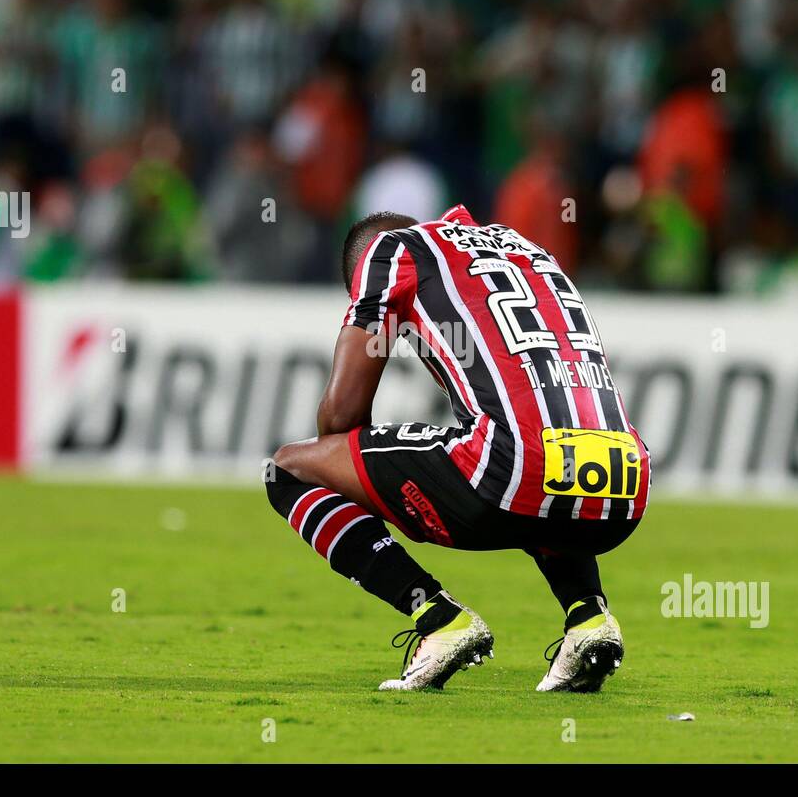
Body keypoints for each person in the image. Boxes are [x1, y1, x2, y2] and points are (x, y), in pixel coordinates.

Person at [263, 205, 651, 692]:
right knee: (534, 465)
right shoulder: (524, 248)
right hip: (626, 482)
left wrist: (364, 487)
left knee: (288, 471)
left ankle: (437, 616)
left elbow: (340, 419)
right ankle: (588, 618)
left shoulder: (388, 253)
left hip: (517, 469)